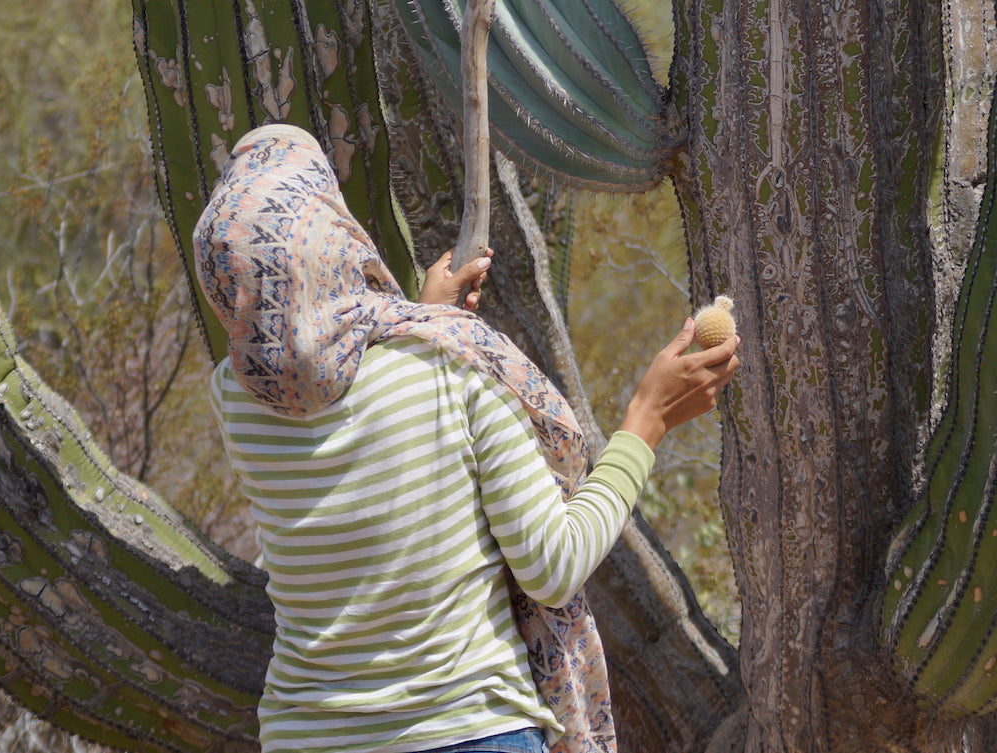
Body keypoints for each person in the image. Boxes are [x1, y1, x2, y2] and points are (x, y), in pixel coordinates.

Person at [195, 124, 739, 753]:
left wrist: (425, 319)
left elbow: (328, 382)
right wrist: (648, 419)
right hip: (468, 731)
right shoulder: (450, 369)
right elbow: (553, 566)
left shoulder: (233, 396)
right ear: (333, 240)